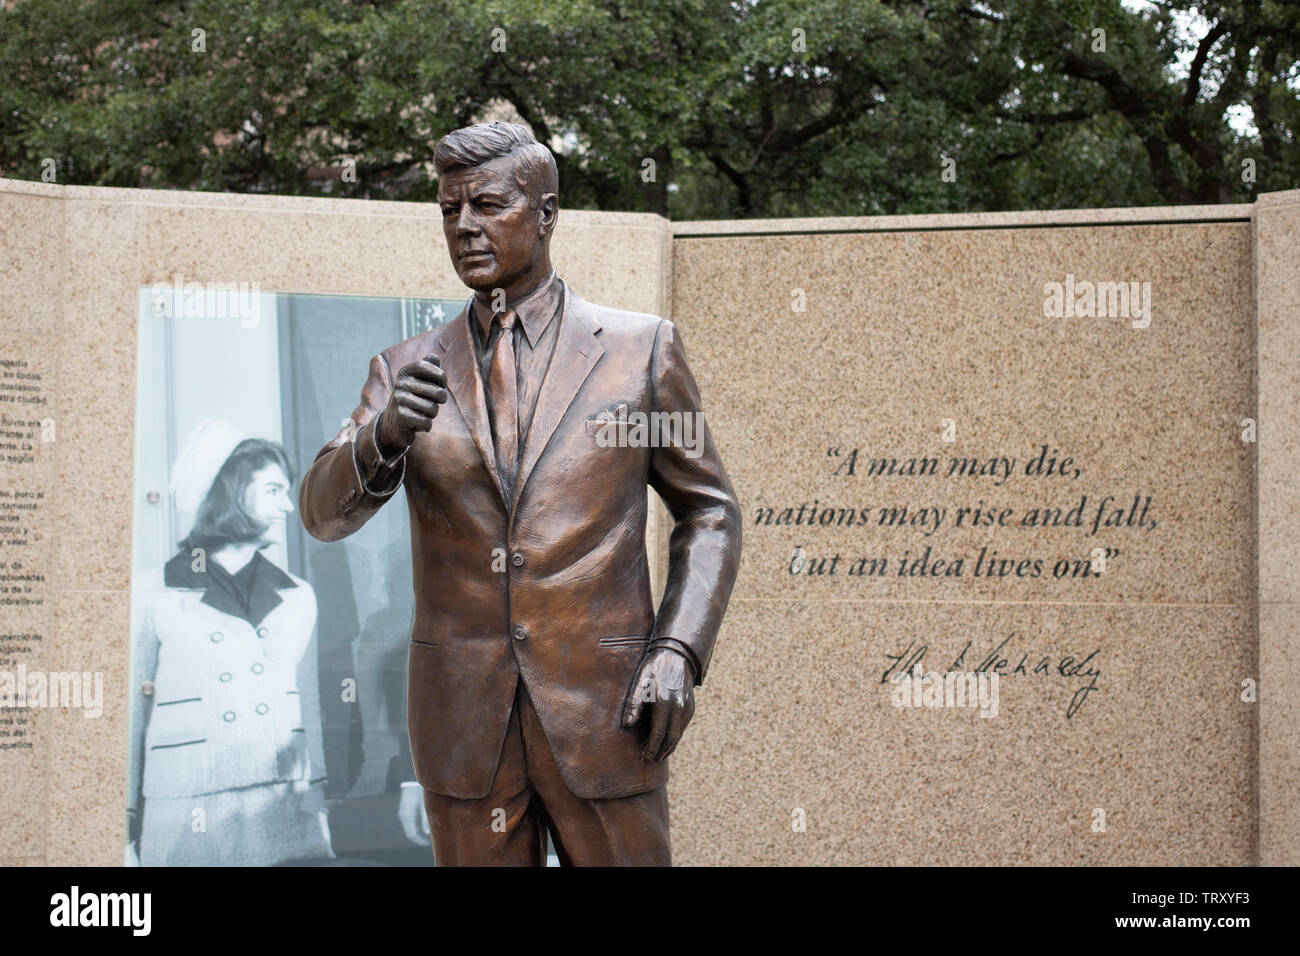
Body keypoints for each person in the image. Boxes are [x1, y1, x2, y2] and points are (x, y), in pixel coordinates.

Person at [299, 121, 742, 866]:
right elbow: (320, 514)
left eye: (487, 205)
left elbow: (711, 512)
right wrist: (383, 438)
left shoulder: (639, 352)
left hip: (608, 712)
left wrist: (677, 651)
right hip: (464, 729)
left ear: (546, 213)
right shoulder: (407, 365)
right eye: (448, 210)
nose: (465, 226)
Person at [128, 437, 333, 866]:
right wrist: (123, 816)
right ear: (231, 492)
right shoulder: (153, 594)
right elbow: (129, 715)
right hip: (186, 811)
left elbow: (309, 707)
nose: (287, 508)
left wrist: (318, 797)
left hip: (285, 807)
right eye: (273, 491)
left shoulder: (298, 597)